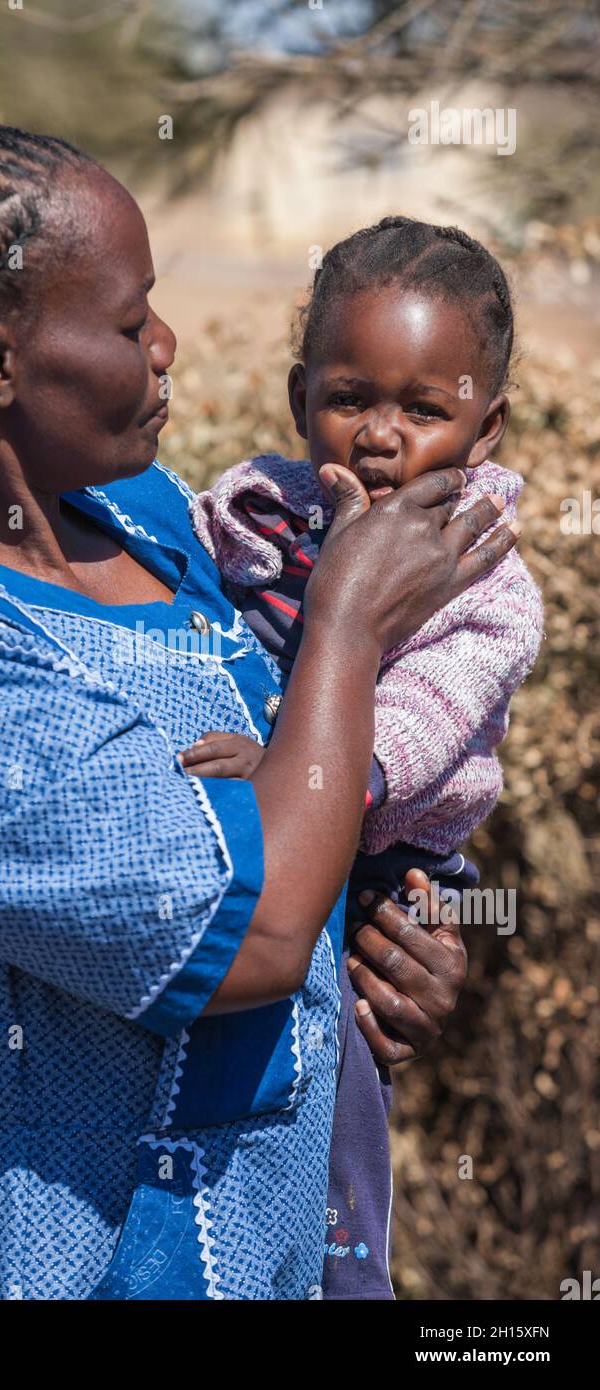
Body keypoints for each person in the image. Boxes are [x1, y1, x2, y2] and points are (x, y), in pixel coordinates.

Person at [0, 126, 518, 1300]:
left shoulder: (147, 519)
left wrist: (382, 947)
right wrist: (346, 630)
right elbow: (249, 932)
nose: (166, 348)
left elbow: (304, 813)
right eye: (124, 321)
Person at [188, 217, 544, 1297]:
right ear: (300, 399)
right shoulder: (259, 510)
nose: (378, 436)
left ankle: (347, 1278)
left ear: (484, 429)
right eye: (349, 399)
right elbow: (197, 590)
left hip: (389, 862)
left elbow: (427, 717)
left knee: (338, 1067)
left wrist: (297, 769)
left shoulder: (482, 579)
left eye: (422, 410)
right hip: (280, 838)